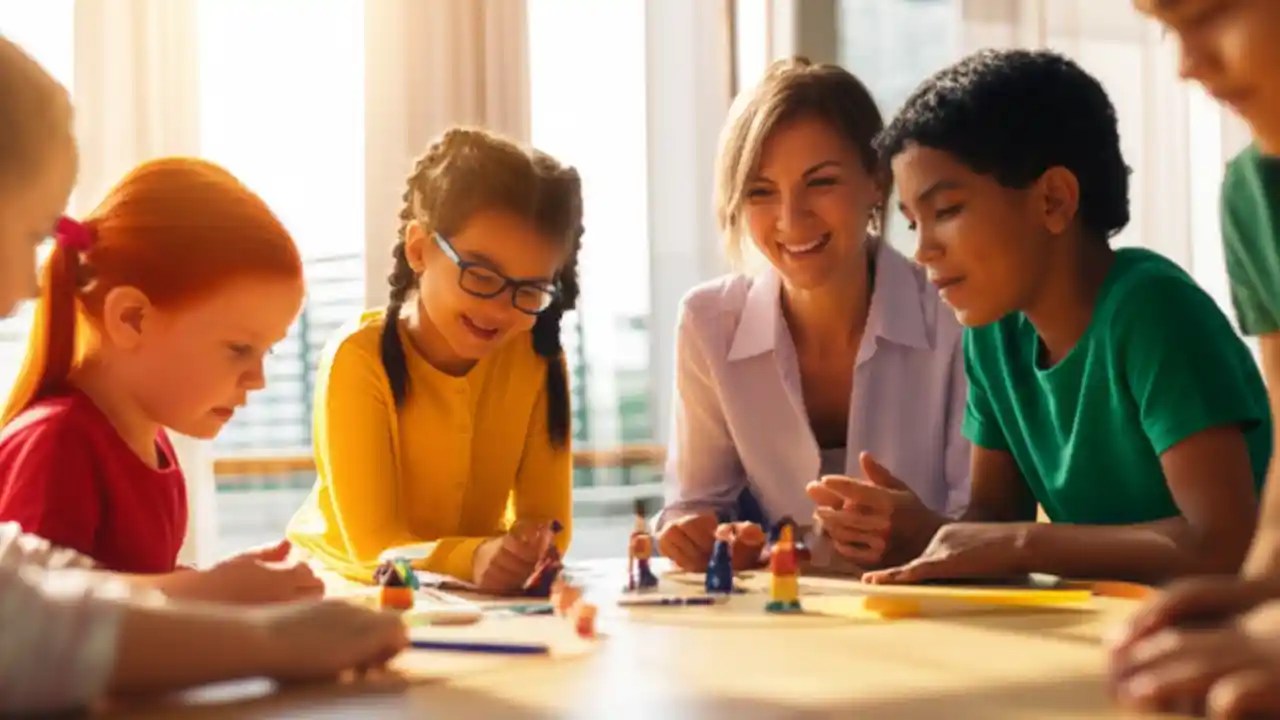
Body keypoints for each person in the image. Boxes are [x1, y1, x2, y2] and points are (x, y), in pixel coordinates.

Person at [0, 34, 405, 714]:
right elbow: (42, 631)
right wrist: (252, 624)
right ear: (131, 319)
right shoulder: (58, 440)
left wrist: (231, 598)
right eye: (28, 235)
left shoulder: (157, 447)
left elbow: (40, 597)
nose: (29, 284)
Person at [828, 48, 1269, 587]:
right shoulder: (993, 337)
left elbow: (1222, 545)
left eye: (945, 212)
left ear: (1054, 201)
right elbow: (996, 520)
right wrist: (924, 532)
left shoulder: (1152, 310)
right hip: (1122, 632)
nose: (922, 251)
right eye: (912, 223)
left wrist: (1021, 544)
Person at [655, 58, 970, 574]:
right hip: (787, 621)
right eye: (760, 192)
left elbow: (981, 521)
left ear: (876, 181)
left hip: (927, 613)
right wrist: (697, 535)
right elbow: (695, 503)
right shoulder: (709, 322)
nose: (789, 219)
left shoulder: (953, 315)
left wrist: (922, 533)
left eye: (820, 183)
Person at [288, 127, 582, 592]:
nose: (499, 309)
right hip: (346, 586)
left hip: (467, 597)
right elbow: (374, 547)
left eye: (530, 290)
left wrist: (524, 552)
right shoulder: (358, 359)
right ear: (419, 249)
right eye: (482, 275)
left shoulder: (539, 360)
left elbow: (547, 525)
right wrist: (474, 556)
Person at [1109, 2, 1280, 716]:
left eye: (1209, 14)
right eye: (1166, 28)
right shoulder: (1257, 198)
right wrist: (1262, 587)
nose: (1185, 63)